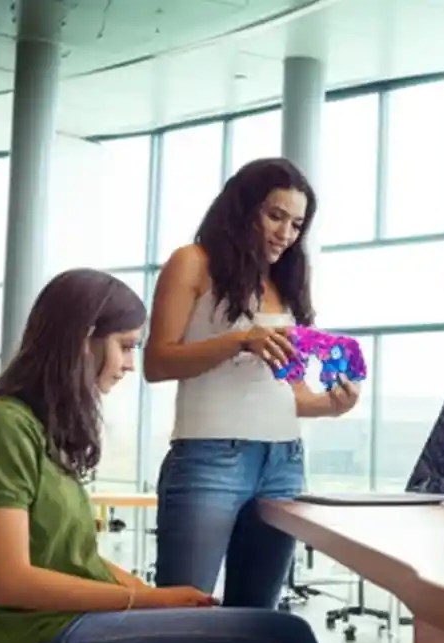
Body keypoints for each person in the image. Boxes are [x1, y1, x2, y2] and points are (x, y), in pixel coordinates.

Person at [0, 269, 346, 643]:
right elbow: (11, 580)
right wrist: (150, 601)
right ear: (83, 340)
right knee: (283, 639)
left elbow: (75, 559)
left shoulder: (37, 430)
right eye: (126, 345)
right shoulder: (0, 427)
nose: (131, 363)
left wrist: (164, 602)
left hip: (59, 636)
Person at [145, 158, 360, 607]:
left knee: (255, 617)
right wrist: (240, 340)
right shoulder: (193, 262)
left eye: (297, 224)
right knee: (181, 611)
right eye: (275, 216)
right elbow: (157, 362)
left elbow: (291, 393)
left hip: (283, 462)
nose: (286, 233)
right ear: (242, 208)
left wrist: (332, 405)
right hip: (209, 457)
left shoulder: (289, 281)